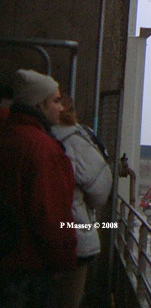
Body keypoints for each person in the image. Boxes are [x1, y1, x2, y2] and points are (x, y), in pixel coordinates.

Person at [0, 69, 77, 307]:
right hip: (30, 270)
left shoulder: (9, 136)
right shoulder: (43, 149)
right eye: (55, 101)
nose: (61, 108)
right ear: (39, 104)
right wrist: (63, 262)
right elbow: (51, 216)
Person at [51, 95, 112, 308]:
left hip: (38, 238)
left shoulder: (36, 135)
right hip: (76, 236)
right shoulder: (79, 139)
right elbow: (100, 188)